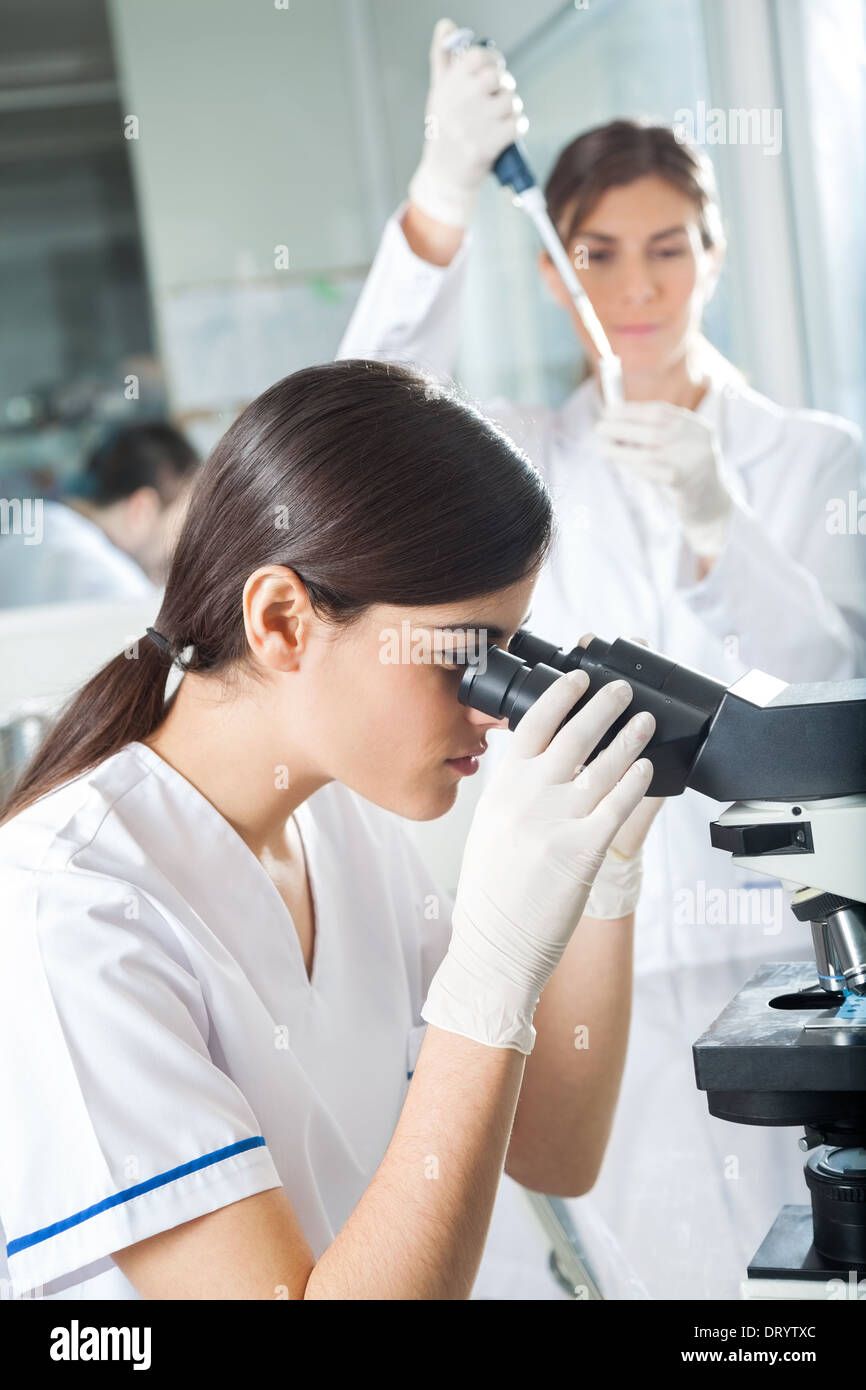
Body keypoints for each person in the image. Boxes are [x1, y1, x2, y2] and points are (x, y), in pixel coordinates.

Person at [335, 19, 866, 1298]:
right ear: (550, 269)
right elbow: (353, 429)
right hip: (595, 969)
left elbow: (830, 703)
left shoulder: (813, 459)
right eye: (598, 254)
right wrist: (440, 195)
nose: (635, 289)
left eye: (668, 248)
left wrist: (718, 530)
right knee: (669, 1283)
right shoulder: (526, 464)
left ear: (714, 254)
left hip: (790, 952)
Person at [0, 358, 663, 1301]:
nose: (497, 708)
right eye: (465, 657)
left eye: (512, 653)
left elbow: (555, 1149)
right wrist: (491, 969)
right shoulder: (70, 909)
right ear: (281, 620)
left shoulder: (341, 826)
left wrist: (604, 872)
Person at [0, 422, 198, 608]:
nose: (184, 545)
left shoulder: (38, 526)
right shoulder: (118, 591)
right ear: (142, 509)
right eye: (184, 525)